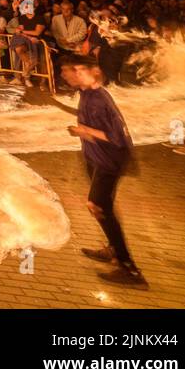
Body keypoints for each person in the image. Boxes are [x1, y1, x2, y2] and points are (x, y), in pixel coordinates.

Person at [57, 53, 146, 288]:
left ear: (89, 71)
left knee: (96, 206)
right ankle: (113, 249)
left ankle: (130, 270)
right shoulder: (88, 92)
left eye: (72, 69)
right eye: (66, 70)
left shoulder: (99, 99)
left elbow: (117, 138)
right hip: (97, 158)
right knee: (104, 207)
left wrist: (84, 131)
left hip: (109, 160)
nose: (66, 74)